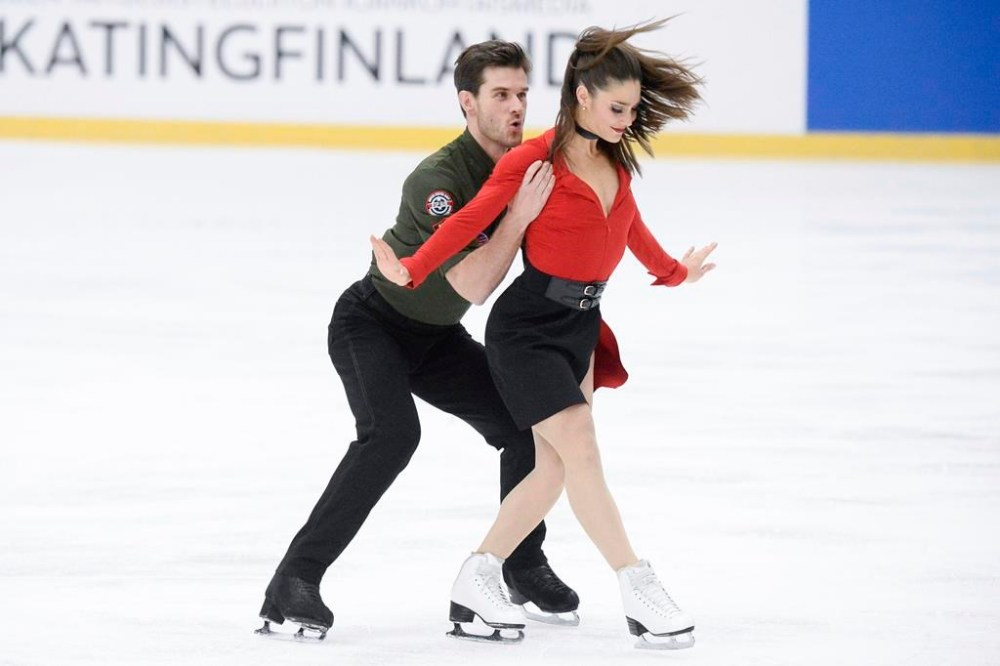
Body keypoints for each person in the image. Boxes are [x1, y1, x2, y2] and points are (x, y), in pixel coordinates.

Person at [372, 20, 716, 649]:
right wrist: (415, 267)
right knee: (580, 449)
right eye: (616, 108)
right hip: (527, 328)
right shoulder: (534, 160)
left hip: (580, 326)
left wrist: (674, 273)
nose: (625, 120)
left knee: (553, 468)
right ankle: (637, 585)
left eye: (633, 110)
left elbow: (630, 231)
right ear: (581, 98)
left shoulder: (615, 161)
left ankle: (477, 576)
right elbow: (471, 218)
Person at [256, 40, 580, 640]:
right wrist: (518, 218)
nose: (515, 108)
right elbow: (474, 283)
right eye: (500, 95)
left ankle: (519, 562)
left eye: (522, 95)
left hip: (435, 337)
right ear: (467, 102)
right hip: (372, 322)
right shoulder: (439, 180)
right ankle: (294, 581)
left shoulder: (524, 168)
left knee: (525, 426)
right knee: (392, 435)